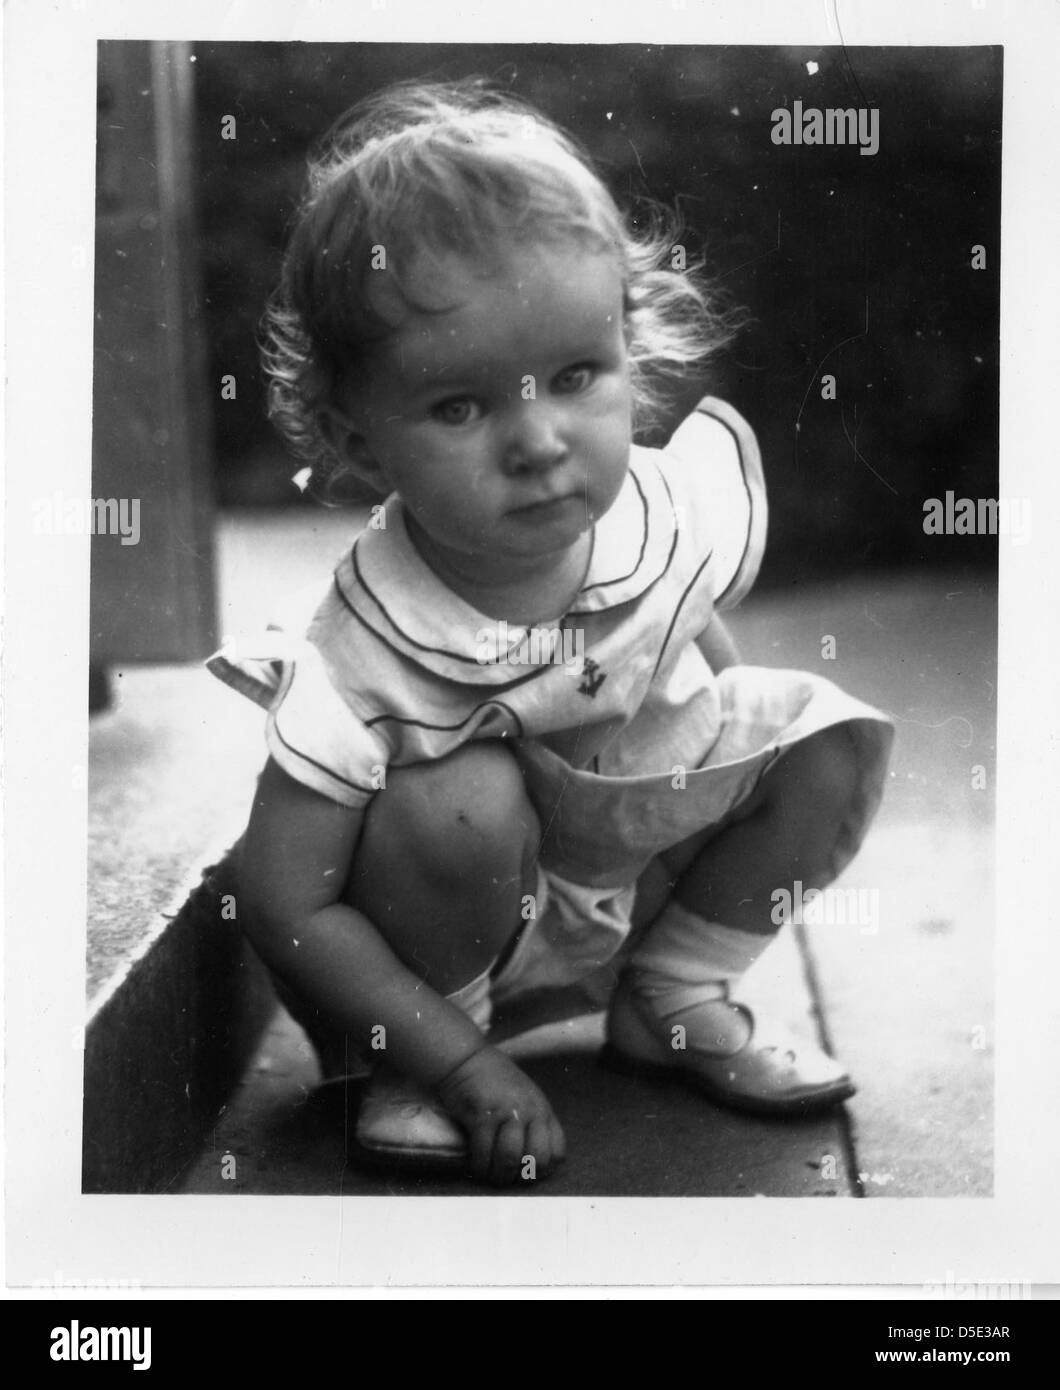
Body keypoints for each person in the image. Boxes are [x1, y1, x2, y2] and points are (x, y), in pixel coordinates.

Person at [208, 77, 894, 1187]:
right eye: (461, 406)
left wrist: (727, 765)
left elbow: (688, 637)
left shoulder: (660, 517)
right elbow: (281, 898)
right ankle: (435, 1065)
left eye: (575, 376)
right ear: (357, 433)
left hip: (627, 875)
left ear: (632, 351)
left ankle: (674, 993)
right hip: (433, 952)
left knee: (823, 732)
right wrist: (453, 1055)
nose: (538, 441)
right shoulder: (360, 650)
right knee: (454, 795)